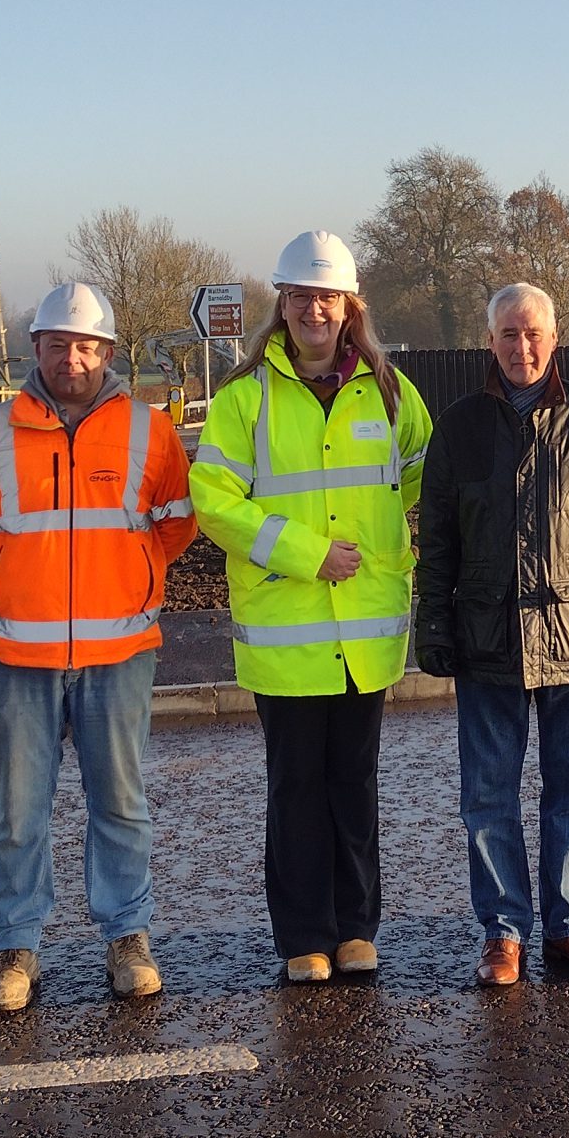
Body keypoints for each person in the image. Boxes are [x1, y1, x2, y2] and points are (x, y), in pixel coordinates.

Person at [0, 282, 196, 1013]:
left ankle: (128, 937)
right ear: (37, 349)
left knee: (121, 802)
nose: (72, 359)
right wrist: (21, 583)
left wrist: (122, 580)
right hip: (16, 655)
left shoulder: (150, 430)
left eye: (86, 346)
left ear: (108, 352)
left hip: (119, 651)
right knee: (18, 811)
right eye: (58, 345)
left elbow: (175, 525)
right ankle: (16, 946)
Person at [191, 231, 432, 985]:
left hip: (365, 632)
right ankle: (304, 937)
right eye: (300, 297)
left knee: (354, 786)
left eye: (327, 297)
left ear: (349, 305)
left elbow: (421, 476)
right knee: (296, 789)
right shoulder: (245, 398)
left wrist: (380, 542)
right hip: (286, 633)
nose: (314, 310)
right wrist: (306, 551)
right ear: (283, 304)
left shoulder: (392, 393)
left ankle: (356, 930)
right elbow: (213, 502)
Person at [415, 284, 569, 985]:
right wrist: (434, 623)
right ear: (489, 340)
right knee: (488, 795)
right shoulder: (458, 426)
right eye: (509, 334)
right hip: (485, 638)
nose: (522, 347)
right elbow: (437, 538)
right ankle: (503, 930)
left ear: (555, 339)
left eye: (533, 334)